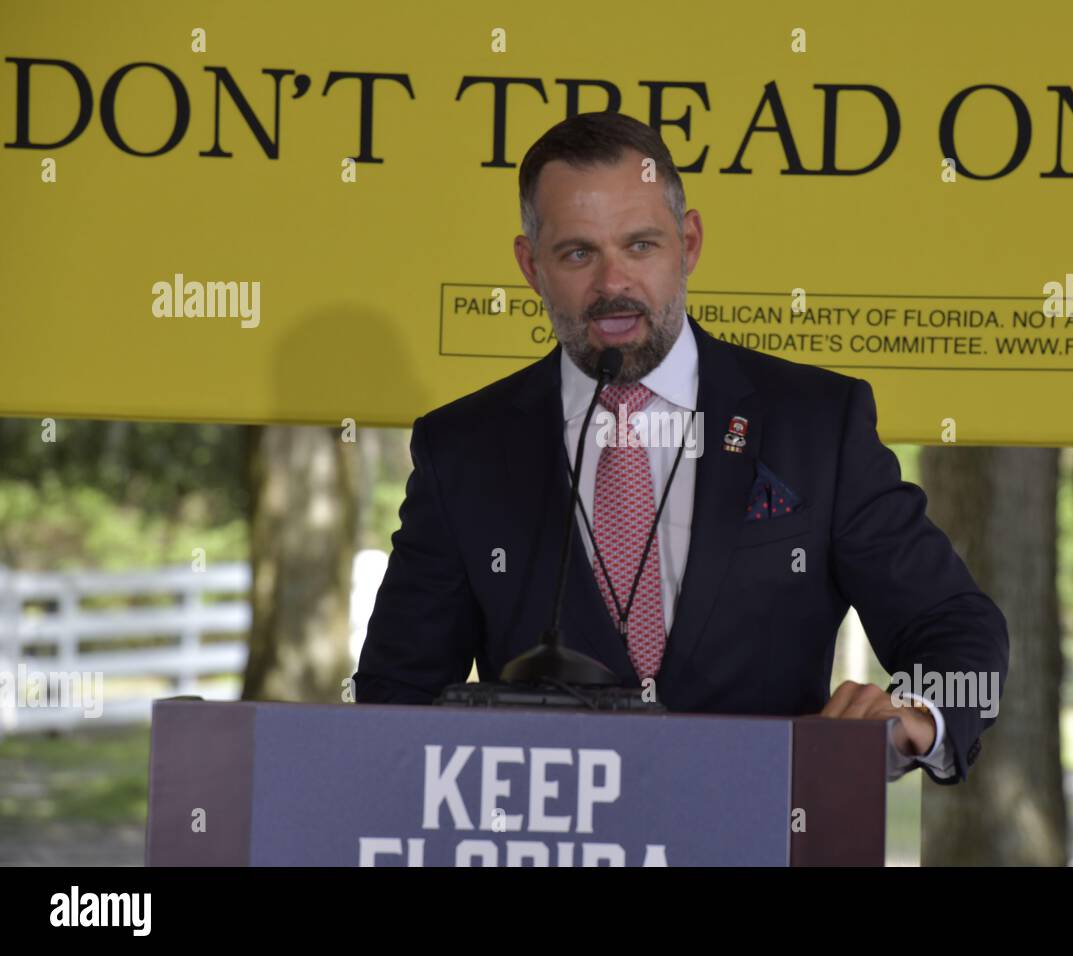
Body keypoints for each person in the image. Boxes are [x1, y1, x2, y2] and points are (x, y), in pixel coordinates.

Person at [354, 111, 1009, 785]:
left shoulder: (815, 423)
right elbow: (392, 695)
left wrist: (918, 716)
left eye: (640, 246)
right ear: (531, 266)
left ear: (688, 243)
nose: (613, 284)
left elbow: (954, 624)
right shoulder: (463, 447)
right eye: (579, 253)